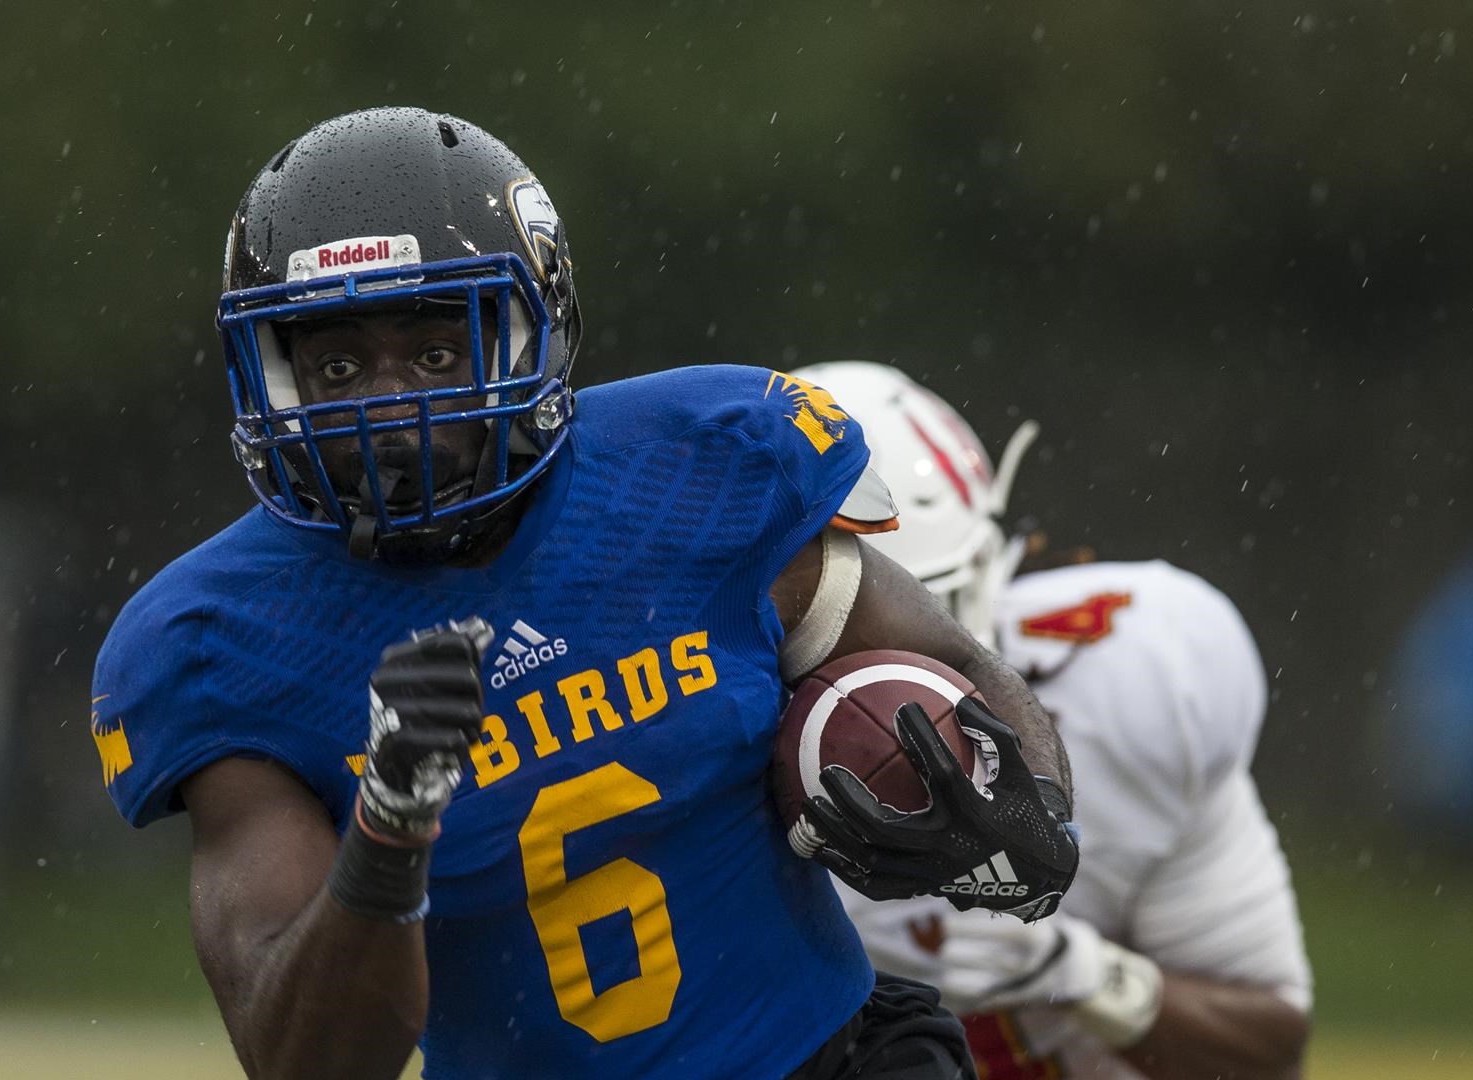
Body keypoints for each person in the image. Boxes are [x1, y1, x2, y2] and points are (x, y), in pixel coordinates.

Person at [90, 108, 1080, 1080]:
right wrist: (390, 826)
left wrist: (1035, 817)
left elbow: (956, 670)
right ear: (271, 376)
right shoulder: (219, 639)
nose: (392, 407)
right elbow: (303, 1060)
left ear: (534, 327)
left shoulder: (706, 469)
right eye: (339, 365)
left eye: (437, 353)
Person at [793, 361, 1312, 1080]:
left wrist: (1081, 973)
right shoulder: (664, 762)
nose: (873, 677)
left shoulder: (1136, 686)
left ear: (979, 587)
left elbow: (1268, 1052)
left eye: (905, 617)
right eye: (816, 633)